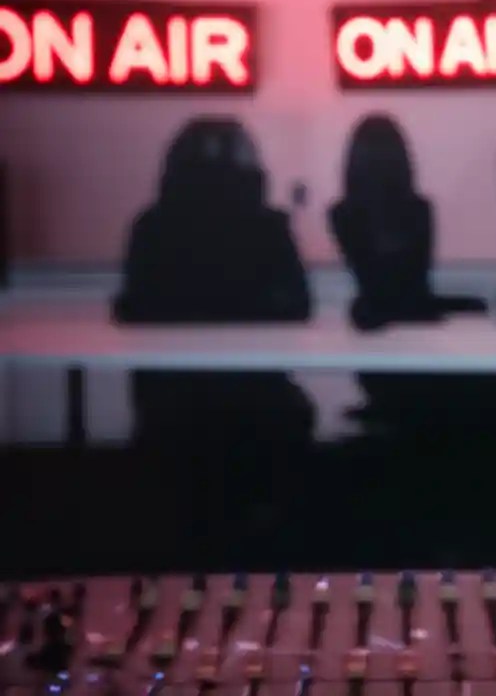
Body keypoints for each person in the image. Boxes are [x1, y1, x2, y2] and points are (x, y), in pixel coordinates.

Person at [113, 117, 314, 562]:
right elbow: (297, 306)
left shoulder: (151, 228)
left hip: (173, 407)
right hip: (250, 407)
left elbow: (130, 307)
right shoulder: (268, 227)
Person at [329, 114, 438, 332]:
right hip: (418, 319)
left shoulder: (342, 214)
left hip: (370, 319)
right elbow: (417, 276)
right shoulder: (420, 210)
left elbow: (369, 276)